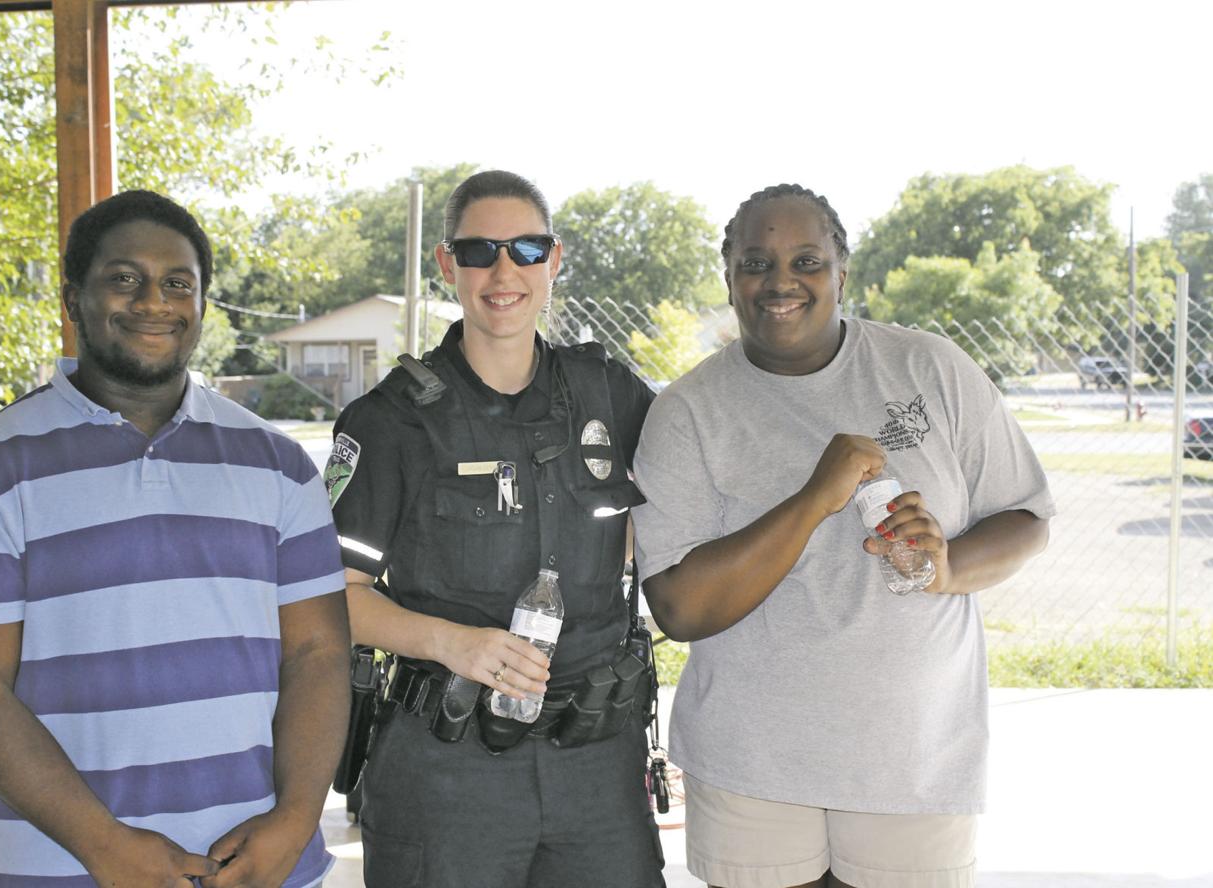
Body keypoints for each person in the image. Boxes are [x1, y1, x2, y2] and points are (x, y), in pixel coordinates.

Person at [0, 189, 352, 888]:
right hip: (65, 869)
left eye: (179, 283)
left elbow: (319, 653)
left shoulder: (276, 464)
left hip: (260, 864)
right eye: (124, 279)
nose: (154, 301)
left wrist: (295, 822)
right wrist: (106, 848)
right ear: (72, 298)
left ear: (203, 304)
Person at [631, 184, 1055, 888]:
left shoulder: (928, 368)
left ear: (841, 271)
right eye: (755, 262)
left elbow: (1025, 517)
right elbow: (679, 608)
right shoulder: (687, 411)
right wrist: (812, 500)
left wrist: (944, 566)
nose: (780, 282)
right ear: (728, 274)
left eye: (806, 261)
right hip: (754, 762)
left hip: (912, 754)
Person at [327, 169, 665, 887]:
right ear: (447, 264)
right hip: (448, 771)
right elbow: (329, 597)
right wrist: (455, 644)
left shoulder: (612, 393)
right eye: (479, 251)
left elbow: (698, 491)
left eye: (527, 248)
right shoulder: (390, 422)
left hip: (597, 765)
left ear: (555, 259)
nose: (503, 271)